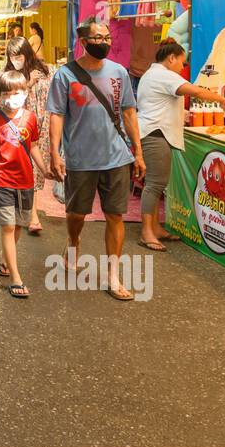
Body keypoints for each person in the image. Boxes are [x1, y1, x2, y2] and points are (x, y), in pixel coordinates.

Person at [47, 19, 146, 302]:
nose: (104, 42)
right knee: (76, 214)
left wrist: (137, 152)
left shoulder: (119, 73)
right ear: (83, 41)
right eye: (98, 38)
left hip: (116, 156)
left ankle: (113, 276)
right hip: (80, 158)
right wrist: (55, 153)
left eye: (107, 38)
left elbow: (129, 112)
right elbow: (57, 114)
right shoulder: (65, 75)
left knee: (115, 215)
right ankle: (74, 241)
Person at [136, 40, 225, 251]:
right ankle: (146, 232)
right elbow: (195, 92)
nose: (182, 67)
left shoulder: (152, 75)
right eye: (181, 62)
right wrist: (222, 100)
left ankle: (154, 228)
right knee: (154, 184)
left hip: (153, 133)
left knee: (157, 184)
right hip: (155, 134)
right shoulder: (164, 75)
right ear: (171, 58)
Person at [0, 69, 39, 298]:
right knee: (8, 226)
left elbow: (32, 145)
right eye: (6, 93)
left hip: (25, 181)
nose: (12, 96)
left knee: (19, 225)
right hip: (1, 180)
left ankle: (5, 261)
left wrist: (45, 169)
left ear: (25, 92)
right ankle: (15, 277)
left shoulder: (30, 118)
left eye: (16, 92)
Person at [5, 37, 52, 234]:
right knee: (28, 168)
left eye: (19, 55)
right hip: (21, 126)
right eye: (12, 56)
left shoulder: (45, 69)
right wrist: (28, 83)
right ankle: (32, 216)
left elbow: (52, 94)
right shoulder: (10, 75)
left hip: (43, 123)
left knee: (38, 170)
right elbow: (6, 101)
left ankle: (26, 209)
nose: (15, 59)